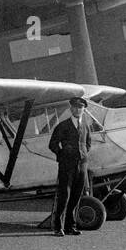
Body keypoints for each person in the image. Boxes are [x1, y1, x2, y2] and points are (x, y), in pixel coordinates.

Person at [48, 97, 92, 236]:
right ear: (71, 109)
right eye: (75, 107)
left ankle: (70, 226)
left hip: (82, 165)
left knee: (76, 196)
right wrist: (62, 155)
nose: (77, 110)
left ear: (84, 110)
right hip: (66, 166)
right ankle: (57, 227)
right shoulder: (63, 126)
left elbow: (88, 143)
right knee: (64, 196)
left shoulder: (85, 126)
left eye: (80, 107)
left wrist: (83, 155)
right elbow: (53, 144)